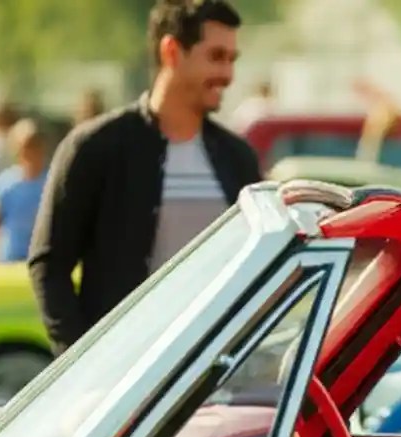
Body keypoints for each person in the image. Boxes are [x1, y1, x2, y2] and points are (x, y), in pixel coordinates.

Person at [28, 0, 262, 356]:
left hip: (219, 377)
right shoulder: (95, 147)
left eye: (232, 59)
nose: (228, 74)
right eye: (216, 56)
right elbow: (49, 266)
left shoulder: (237, 158)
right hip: (124, 381)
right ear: (171, 51)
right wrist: (80, 363)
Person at [0, 119, 47, 264]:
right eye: (24, 147)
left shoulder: (52, 182)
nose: (28, 152)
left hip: (41, 262)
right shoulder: (4, 184)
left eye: (33, 146)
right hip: (9, 263)